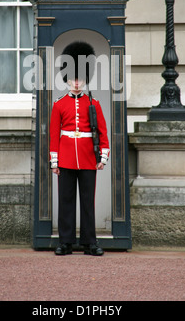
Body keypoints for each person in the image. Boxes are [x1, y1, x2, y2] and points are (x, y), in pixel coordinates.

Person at [49, 41, 110, 256]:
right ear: (67, 79)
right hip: (65, 158)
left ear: (85, 79)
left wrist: (102, 156)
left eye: (80, 79)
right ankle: (65, 242)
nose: (76, 83)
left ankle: (89, 242)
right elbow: (54, 135)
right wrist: (54, 162)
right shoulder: (59, 104)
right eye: (73, 78)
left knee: (87, 202)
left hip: (87, 158)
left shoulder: (94, 104)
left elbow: (102, 132)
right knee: (65, 201)